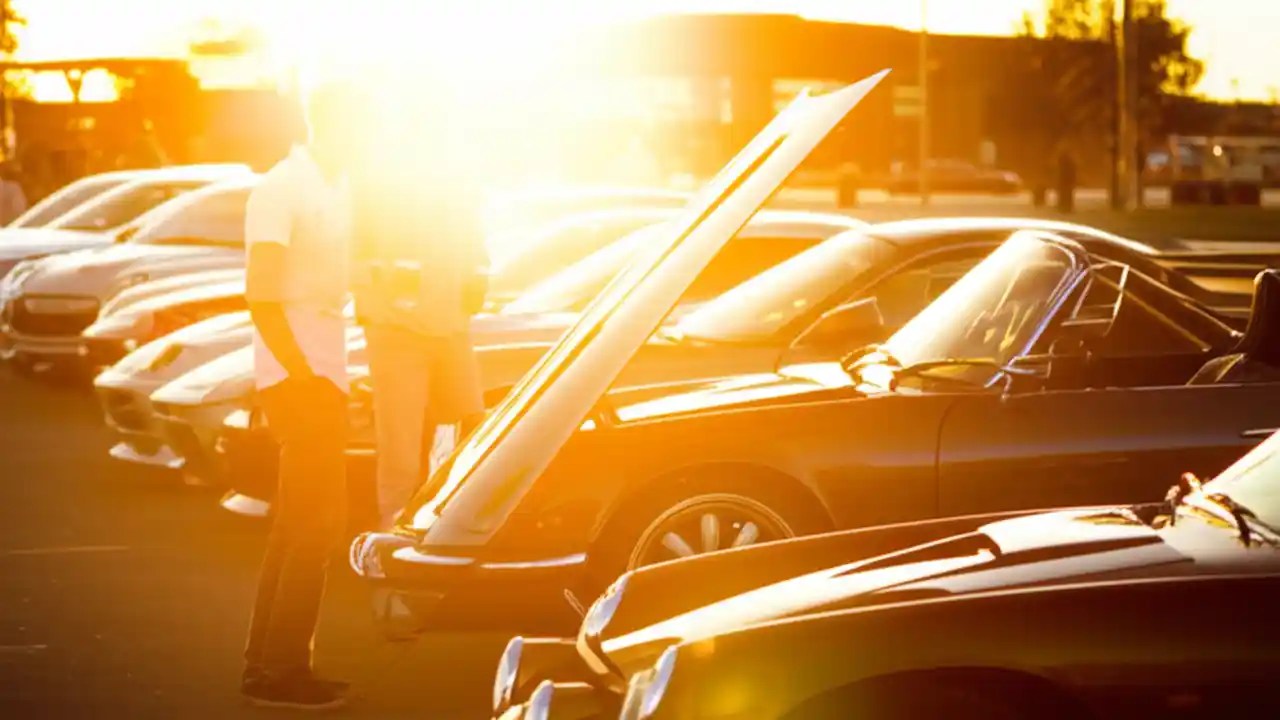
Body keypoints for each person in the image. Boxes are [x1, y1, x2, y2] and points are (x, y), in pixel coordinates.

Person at [239, 81, 357, 710]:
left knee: (295, 529)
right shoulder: (281, 188)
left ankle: (267, 667)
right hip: (298, 381)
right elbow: (261, 295)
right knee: (314, 529)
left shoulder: (339, 188)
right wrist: (304, 375)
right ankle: (282, 672)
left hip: (325, 376)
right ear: (333, 123)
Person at [351, 108, 489, 530]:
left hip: (451, 329)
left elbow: (475, 245)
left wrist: (476, 285)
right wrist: (390, 304)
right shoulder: (380, 183)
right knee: (401, 445)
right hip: (398, 334)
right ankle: (392, 528)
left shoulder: (457, 181)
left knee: (468, 428)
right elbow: (359, 253)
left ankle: (447, 521)